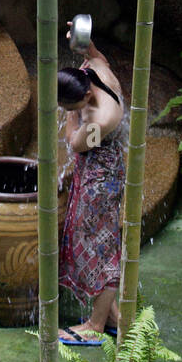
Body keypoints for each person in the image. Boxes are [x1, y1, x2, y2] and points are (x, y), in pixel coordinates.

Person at [56, 38, 127, 345]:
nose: (67, 112)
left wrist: (73, 117)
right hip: (94, 169)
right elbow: (99, 56)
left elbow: (74, 141)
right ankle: (114, 317)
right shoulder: (98, 71)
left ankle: (96, 326)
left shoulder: (103, 120)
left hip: (103, 177)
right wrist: (85, 44)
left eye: (70, 107)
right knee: (89, 237)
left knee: (102, 247)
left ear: (85, 95)